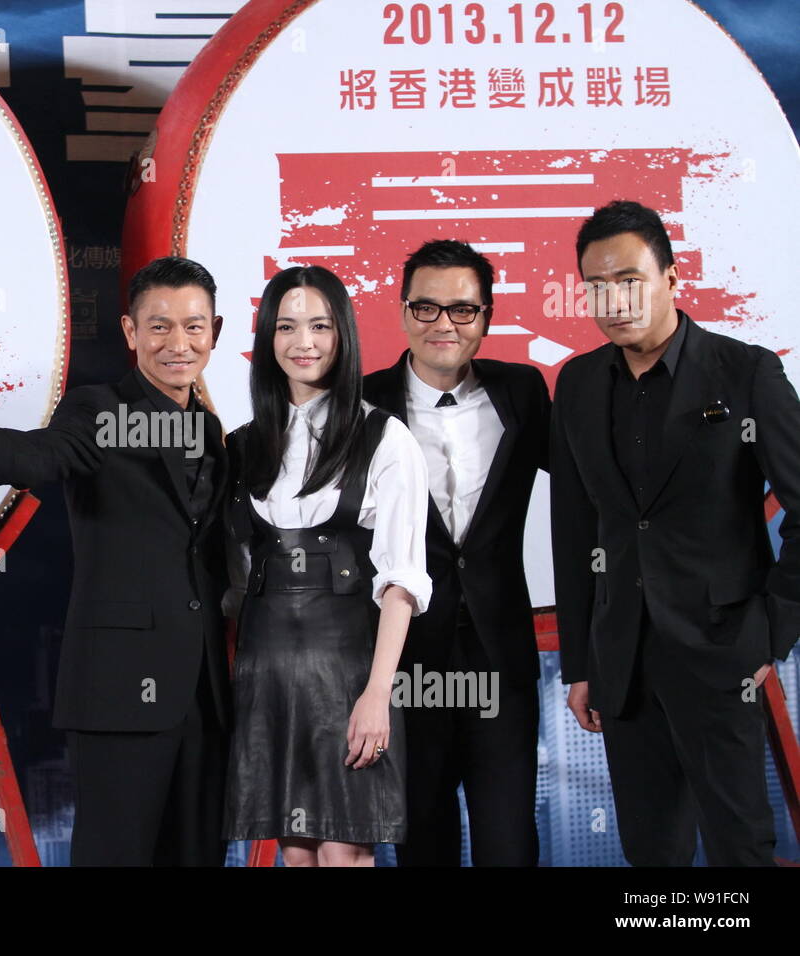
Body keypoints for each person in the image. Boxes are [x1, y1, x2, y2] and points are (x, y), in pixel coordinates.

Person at [0, 256, 232, 866]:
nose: (178, 342)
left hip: (205, 692)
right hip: (121, 688)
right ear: (129, 332)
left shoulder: (212, 430)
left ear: (214, 332)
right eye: (159, 326)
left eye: (194, 326)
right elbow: (43, 457)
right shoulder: (99, 410)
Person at [551, 200, 800, 866]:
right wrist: (581, 663)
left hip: (722, 655)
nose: (614, 299)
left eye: (629, 278)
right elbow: (575, 533)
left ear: (671, 276)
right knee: (650, 851)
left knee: (739, 845)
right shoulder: (575, 384)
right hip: (622, 662)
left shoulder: (745, 372)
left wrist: (768, 632)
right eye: (597, 285)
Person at [222, 264, 431, 867]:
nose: (303, 342)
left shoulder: (385, 439)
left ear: (342, 335)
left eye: (319, 325)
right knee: (295, 851)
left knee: (346, 852)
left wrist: (376, 696)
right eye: (286, 327)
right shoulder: (241, 444)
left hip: (349, 671)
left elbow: (402, 582)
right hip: (267, 669)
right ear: (267, 339)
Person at [362, 239, 549, 866]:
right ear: (402, 312)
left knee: (509, 843)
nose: (444, 323)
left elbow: (595, 489)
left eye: (463, 310)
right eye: (427, 307)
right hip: (409, 661)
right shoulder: (361, 404)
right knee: (423, 840)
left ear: (487, 318)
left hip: (501, 658)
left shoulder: (523, 393)